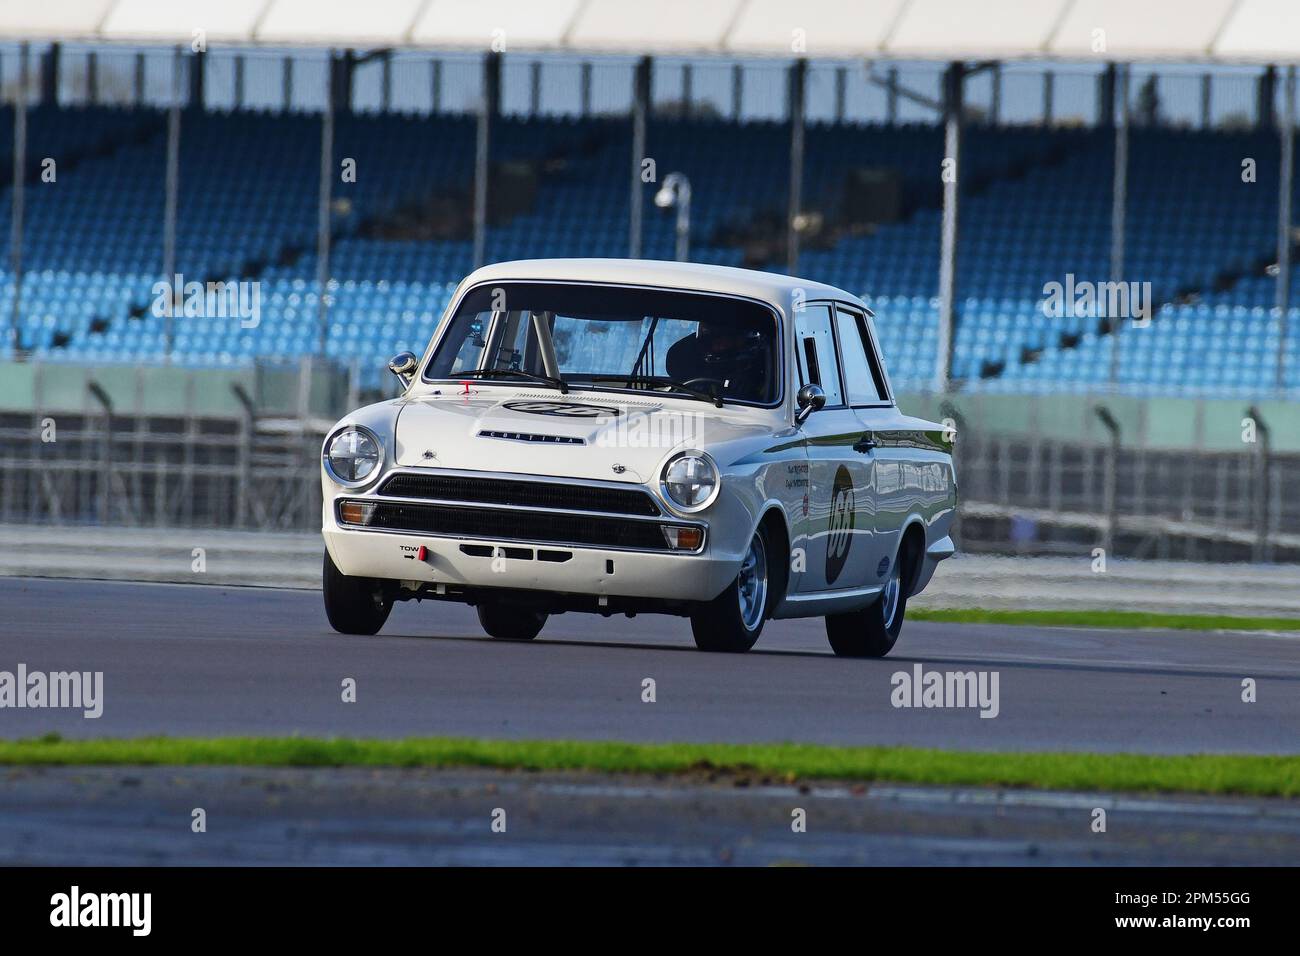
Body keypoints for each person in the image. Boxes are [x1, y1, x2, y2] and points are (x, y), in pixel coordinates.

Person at [664, 322, 769, 402]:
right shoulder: (686, 356)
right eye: (712, 338)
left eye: (722, 335)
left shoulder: (758, 364)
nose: (719, 345)